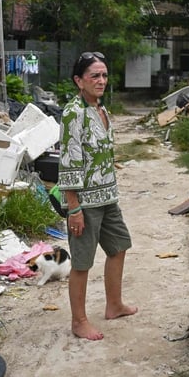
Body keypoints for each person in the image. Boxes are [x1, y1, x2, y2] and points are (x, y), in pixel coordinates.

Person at [58, 51, 138, 340]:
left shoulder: (101, 110)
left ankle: (114, 305)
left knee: (119, 247)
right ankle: (79, 321)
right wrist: (73, 208)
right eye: (95, 75)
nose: (101, 80)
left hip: (108, 198)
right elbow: (68, 161)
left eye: (104, 75)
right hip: (85, 203)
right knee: (82, 263)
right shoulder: (73, 113)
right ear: (79, 80)